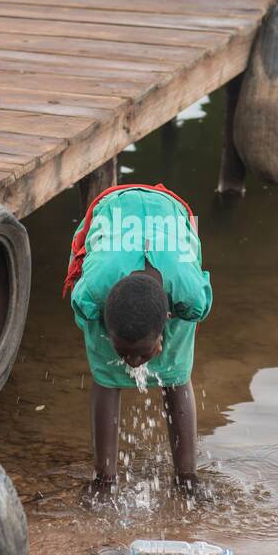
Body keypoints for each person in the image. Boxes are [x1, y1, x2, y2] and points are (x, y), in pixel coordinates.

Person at [64, 183, 212, 492]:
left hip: (169, 214)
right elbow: (85, 317)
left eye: (143, 354)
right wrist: (114, 347)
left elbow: (194, 311)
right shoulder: (92, 292)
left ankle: (187, 477)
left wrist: (166, 351)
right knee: (107, 372)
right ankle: (104, 479)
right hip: (112, 211)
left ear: (166, 321)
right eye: (125, 351)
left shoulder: (190, 295)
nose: (132, 363)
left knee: (175, 371)